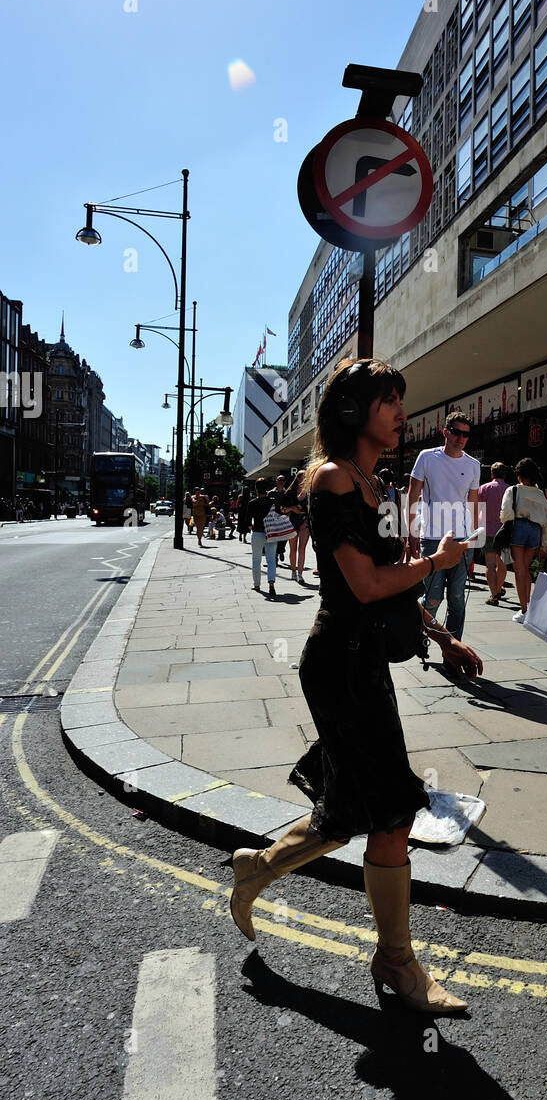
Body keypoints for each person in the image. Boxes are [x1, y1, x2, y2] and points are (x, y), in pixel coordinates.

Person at [229, 357, 482, 1016]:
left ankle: (257, 869)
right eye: (388, 400)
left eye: (401, 399)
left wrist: (440, 635)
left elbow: (390, 586)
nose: (402, 411)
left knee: (353, 814)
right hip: (339, 662)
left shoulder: (380, 479)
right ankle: (397, 961)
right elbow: (366, 586)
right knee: (392, 813)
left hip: (363, 657)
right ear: (353, 411)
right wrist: (438, 563)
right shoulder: (335, 479)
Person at [408, 410, 480, 642]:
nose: (461, 438)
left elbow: (473, 502)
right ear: (445, 432)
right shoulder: (427, 457)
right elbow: (413, 494)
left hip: (461, 539)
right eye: (456, 432)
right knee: (432, 597)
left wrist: (473, 540)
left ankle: (453, 648)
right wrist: (411, 532)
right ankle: (418, 639)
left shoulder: (473, 465)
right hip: (432, 538)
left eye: (465, 435)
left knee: (458, 598)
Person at [499, 458, 547, 623]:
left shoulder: (513, 490)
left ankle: (524, 609)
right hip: (535, 531)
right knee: (527, 570)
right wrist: (546, 544)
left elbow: (506, 513)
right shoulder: (540, 494)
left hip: (519, 528)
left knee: (519, 571)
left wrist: (506, 524)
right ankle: (527, 606)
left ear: (519, 475)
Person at [248, 478, 290, 597]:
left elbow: (248, 522)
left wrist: (253, 528)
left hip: (257, 532)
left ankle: (257, 585)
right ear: (267, 489)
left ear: (256, 489)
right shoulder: (272, 502)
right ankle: (271, 583)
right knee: (271, 559)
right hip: (271, 533)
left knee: (256, 560)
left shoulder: (252, 503)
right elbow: (279, 515)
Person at [478, 462, 510, 605]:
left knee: (490, 564)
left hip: (487, 530)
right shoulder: (511, 490)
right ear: (505, 474)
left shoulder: (484, 488)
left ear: (491, 474)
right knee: (502, 564)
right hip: (505, 531)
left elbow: (476, 508)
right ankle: (498, 588)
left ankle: (494, 594)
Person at [285, 469, 311, 584]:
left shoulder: (310, 491)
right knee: (293, 549)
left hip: (304, 522)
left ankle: (300, 574)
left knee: (302, 549)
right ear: (298, 478)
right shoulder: (290, 492)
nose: (305, 479)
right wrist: (292, 508)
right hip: (292, 521)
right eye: (303, 477)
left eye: (307, 477)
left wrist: (306, 522)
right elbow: (283, 508)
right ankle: (293, 572)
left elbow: (313, 508)